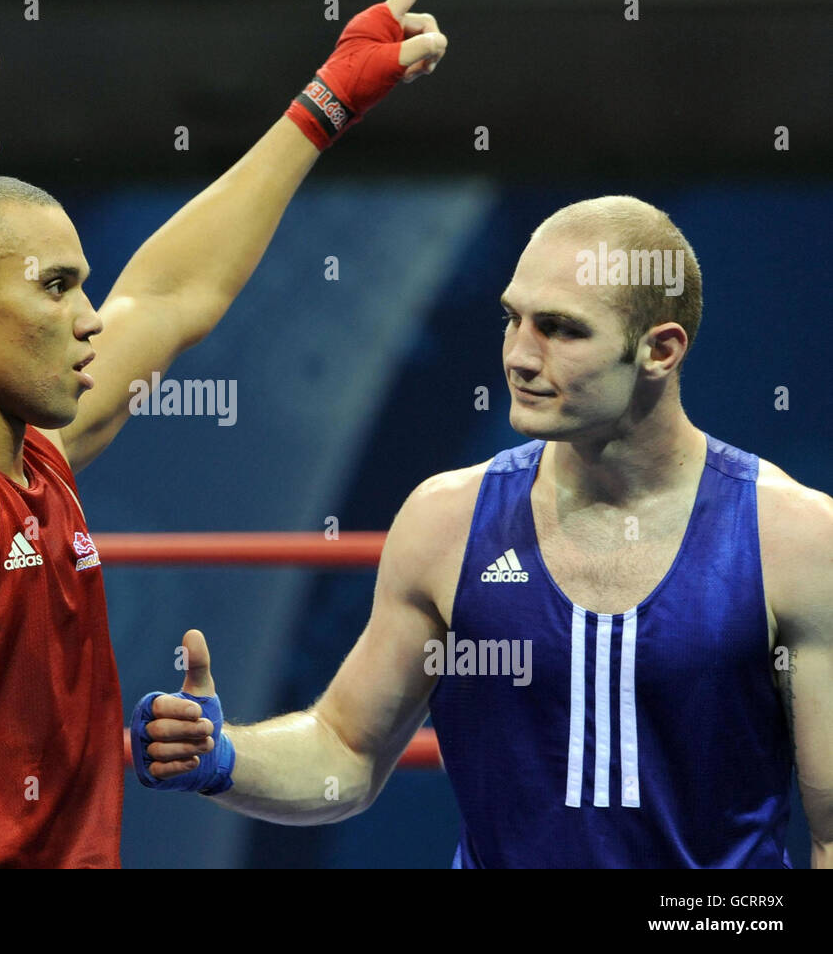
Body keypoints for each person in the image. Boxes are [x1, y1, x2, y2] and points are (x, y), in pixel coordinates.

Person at [0, 0, 454, 867]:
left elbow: (176, 294)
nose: (89, 318)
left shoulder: (45, 463)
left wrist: (327, 102)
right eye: (57, 287)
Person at [132, 195, 833, 868]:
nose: (520, 357)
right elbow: (345, 751)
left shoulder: (796, 541)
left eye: (560, 328)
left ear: (660, 350)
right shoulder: (447, 521)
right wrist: (219, 756)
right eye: (512, 319)